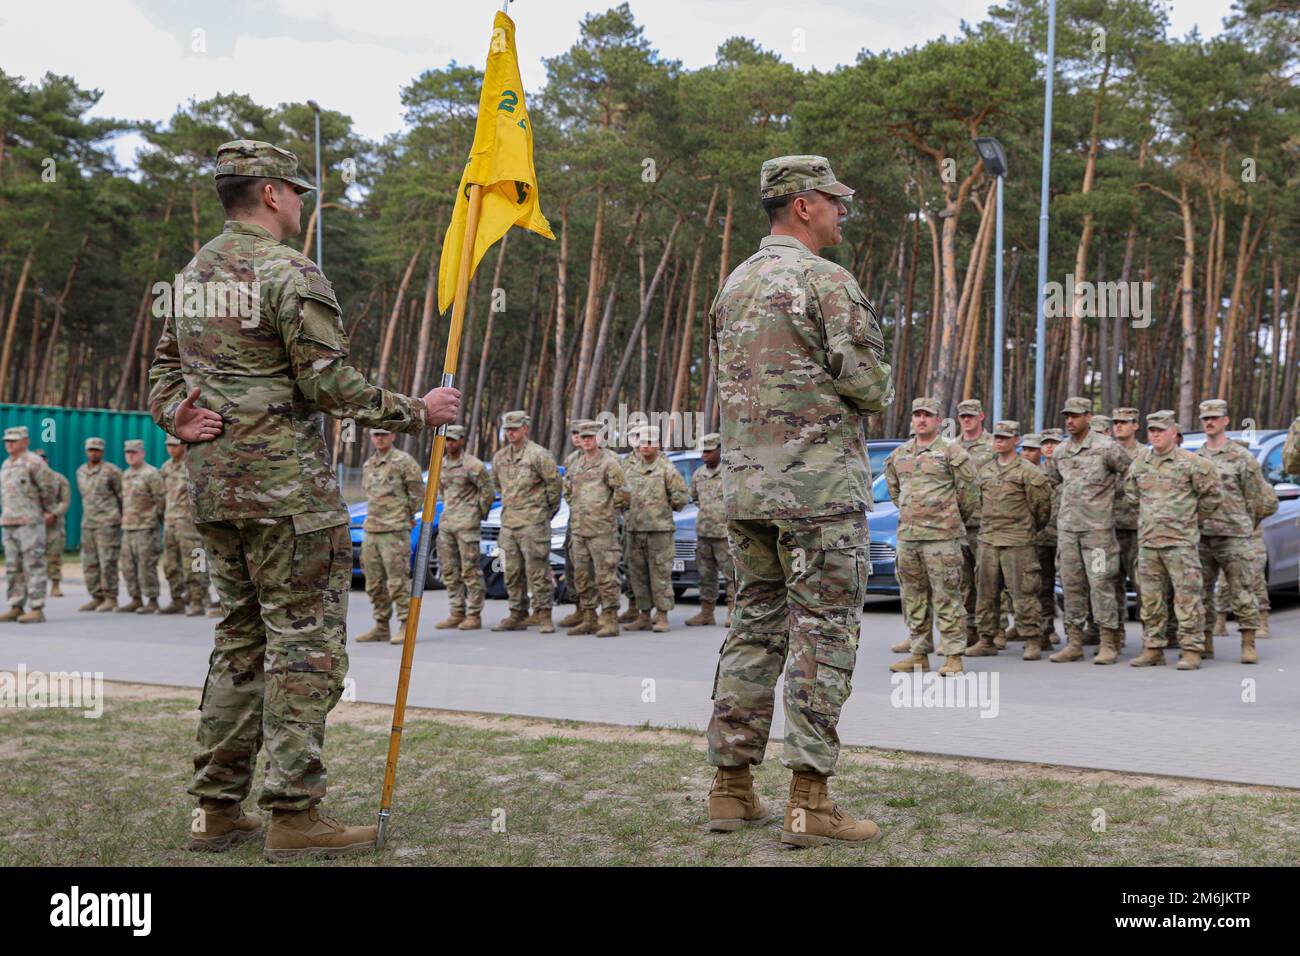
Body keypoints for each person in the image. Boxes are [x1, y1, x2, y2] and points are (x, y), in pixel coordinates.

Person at [149, 139, 460, 860]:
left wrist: (177, 416)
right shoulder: (290, 271)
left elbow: (164, 370)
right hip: (285, 495)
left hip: (215, 488)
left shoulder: (192, 275)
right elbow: (328, 384)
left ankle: (216, 809)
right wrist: (420, 410)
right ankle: (292, 812)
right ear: (270, 194)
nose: (300, 205)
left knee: (237, 645)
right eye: (297, 192)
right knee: (305, 649)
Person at [707, 155, 893, 847]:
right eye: (835, 201)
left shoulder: (735, 284)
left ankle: (731, 787)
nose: (843, 211)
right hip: (816, 492)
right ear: (804, 205)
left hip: (747, 491)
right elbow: (869, 385)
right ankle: (809, 800)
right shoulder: (826, 280)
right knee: (823, 634)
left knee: (753, 628)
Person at [886, 398, 979, 674]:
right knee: (912, 597)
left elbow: (970, 494)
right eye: (917, 415)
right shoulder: (899, 455)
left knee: (947, 597)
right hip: (909, 538)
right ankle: (918, 654)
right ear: (912, 420)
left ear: (939, 421)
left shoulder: (953, 452)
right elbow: (894, 491)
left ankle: (953, 656)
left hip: (942, 539)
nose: (922, 419)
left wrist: (946, 518)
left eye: (928, 415)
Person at [1124, 411, 1222, 669]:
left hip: (1180, 544)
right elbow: (1131, 494)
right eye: (1151, 430)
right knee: (1151, 599)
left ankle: (1191, 649)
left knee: (1187, 598)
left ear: (1173, 433)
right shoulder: (1141, 462)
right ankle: (1153, 648)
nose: (1155, 434)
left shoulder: (1192, 463)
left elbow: (1213, 497)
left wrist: (1188, 519)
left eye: (1160, 430)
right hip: (1148, 544)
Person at [1041, 397, 1131, 663]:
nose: (1070, 421)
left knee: (1101, 583)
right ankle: (1075, 642)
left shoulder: (1107, 448)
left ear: (1088, 417)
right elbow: (1052, 481)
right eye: (1067, 416)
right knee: (1071, 586)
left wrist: (1112, 503)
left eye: (1076, 416)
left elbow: (1131, 475)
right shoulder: (1061, 452)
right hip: (1068, 532)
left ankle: (1107, 642)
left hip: (1098, 534)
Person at [1194, 400, 1275, 663]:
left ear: (1225, 421)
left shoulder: (1241, 457)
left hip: (1234, 536)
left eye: (1215, 418)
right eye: (1205, 418)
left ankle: (1248, 643)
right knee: (1201, 593)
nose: (1209, 422)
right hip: (1203, 536)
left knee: (1242, 590)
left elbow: (1260, 500)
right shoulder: (1195, 459)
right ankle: (1205, 642)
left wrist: (1244, 525)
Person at [969, 421, 1052, 661]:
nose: (1000, 441)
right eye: (997, 437)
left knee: (1024, 592)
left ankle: (1032, 639)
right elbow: (978, 503)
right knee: (986, 592)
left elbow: (1042, 508)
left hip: (1018, 541)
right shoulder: (985, 471)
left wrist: (1026, 528)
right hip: (988, 540)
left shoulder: (1029, 472)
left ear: (1016, 441)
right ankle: (987, 639)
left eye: (1005, 437)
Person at [490, 410, 562, 633]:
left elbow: (554, 487)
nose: (510, 433)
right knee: (511, 571)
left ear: (525, 429)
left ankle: (543, 614)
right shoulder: (500, 457)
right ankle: (517, 613)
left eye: (514, 428)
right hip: (509, 523)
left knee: (537, 571)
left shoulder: (539, 455)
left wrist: (543, 513)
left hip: (534, 523)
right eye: (507, 429)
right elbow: (499, 486)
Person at [355, 428, 425, 644]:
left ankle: (406, 625)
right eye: (376, 434)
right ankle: (381, 625)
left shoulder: (404, 461)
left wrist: (407, 514)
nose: (380, 438)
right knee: (374, 583)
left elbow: (417, 493)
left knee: (398, 582)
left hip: (395, 530)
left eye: (384, 434)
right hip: (372, 530)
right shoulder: (369, 464)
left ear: (393, 436)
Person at [563, 420, 629, 636]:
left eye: (591, 437)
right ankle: (589, 617)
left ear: (598, 439)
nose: (587, 440)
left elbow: (623, 492)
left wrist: (606, 511)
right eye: (584, 437)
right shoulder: (575, 464)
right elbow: (568, 491)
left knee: (606, 577)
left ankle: (610, 619)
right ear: (579, 441)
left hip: (602, 531)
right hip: (579, 530)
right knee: (582, 576)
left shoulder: (609, 463)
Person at [622, 425, 687, 633]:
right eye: (641, 444)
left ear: (657, 445)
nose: (645, 447)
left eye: (649, 443)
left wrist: (661, 510)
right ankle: (643, 615)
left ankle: (662, 616)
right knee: (638, 575)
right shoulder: (630, 468)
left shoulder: (667, 469)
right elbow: (621, 495)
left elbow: (680, 498)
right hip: (634, 530)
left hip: (659, 531)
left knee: (660, 574)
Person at [435, 424, 495, 632]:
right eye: (447, 440)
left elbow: (488, 492)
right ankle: (456, 611)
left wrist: (477, 513)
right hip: (447, 524)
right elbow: (442, 491)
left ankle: (474, 614)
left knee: (470, 570)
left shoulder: (474, 465)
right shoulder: (441, 464)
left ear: (462, 441)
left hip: (467, 525)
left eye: (453, 440)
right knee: (449, 570)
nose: (449, 443)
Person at [0, 425, 58, 623]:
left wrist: (46, 509)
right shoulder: (7, 464)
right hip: (9, 521)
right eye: (7, 440)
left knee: (33, 564)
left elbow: (50, 486)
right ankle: (16, 605)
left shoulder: (34, 462)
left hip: (30, 522)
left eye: (14, 440)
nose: (10, 444)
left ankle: (36, 607)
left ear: (25, 441)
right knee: (12, 566)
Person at [159, 436, 214, 616]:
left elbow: (205, 492)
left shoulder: (193, 464)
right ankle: (177, 599)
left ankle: (198, 599)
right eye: (168, 446)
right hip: (170, 522)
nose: (171, 449)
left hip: (189, 524)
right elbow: (162, 494)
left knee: (195, 563)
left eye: (174, 446)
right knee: (170, 564)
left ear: (183, 446)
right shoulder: (166, 467)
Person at [686, 432, 732, 628]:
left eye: (709, 451)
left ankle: (733, 611)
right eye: (703, 451)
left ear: (719, 451)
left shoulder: (729, 473)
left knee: (731, 575)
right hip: (704, 533)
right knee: (706, 575)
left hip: (724, 534)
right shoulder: (699, 474)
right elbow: (695, 498)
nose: (704, 455)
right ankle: (706, 612)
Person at [118, 439, 166, 615]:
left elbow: (161, 500)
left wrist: (154, 519)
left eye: (134, 452)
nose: (130, 455)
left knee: (146, 565)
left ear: (142, 453)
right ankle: (135, 598)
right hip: (128, 526)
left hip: (146, 527)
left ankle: (152, 600)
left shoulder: (151, 474)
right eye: (128, 452)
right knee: (127, 566)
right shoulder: (126, 474)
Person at [76, 436, 123, 612]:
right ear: (86, 451)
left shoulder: (112, 471)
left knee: (107, 562)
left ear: (102, 451)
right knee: (89, 562)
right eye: (90, 449)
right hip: (88, 523)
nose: (93, 452)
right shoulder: (80, 471)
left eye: (97, 449)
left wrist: (119, 518)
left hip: (108, 524)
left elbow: (121, 496)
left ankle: (111, 597)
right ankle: (96, 596)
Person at [1109, 408, 1142, 644]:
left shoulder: (1145, 455)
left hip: (1136, 530)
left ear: (1135, 425)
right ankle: (1115, 635)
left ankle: (1152, 636)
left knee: (1144, 585)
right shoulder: (1104, 452)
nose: (1119, 426)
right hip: (1108, 528)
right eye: (1116, 422)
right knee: (1110, 584)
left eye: (1124, 422)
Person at [556, 419, 586, 627]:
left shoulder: (607, 459)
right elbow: (566, 489)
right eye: (574, 433)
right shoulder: (571, 459)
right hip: (574, 521)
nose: (576, 437)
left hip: (599, 524)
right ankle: (579, 609)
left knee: (596, 571)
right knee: (572, 567)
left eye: (581, 433)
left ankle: (598, 612)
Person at [32, 449, 70, 598]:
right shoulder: (29, 479)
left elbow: (65, 501)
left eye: (43, 458)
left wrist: (53, 514)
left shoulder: (59, 479)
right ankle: (34, 587)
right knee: (33, 558)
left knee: (54, 556)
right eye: (37, 459)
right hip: (33, 524)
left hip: (54, 524)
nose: (40, 461)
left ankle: (55, 585)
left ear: (47, 460)